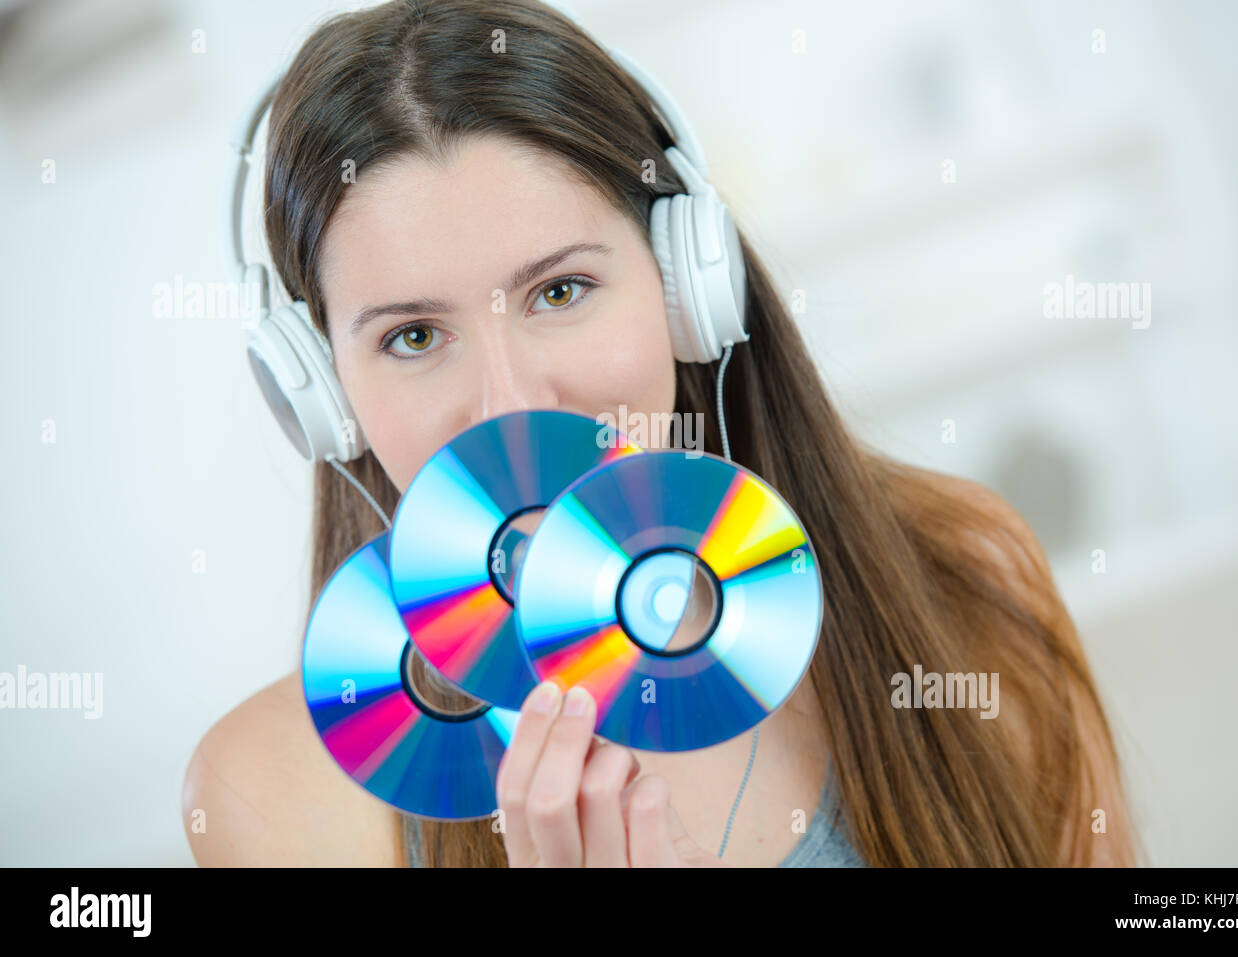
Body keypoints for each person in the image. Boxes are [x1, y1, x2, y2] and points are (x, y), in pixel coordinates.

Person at [182, 0, 1139, 868]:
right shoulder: (271, 794)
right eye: (414, 336)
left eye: (561, 291)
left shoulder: (966, 581)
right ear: (325, 396)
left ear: (688, 290)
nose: (512, 403)